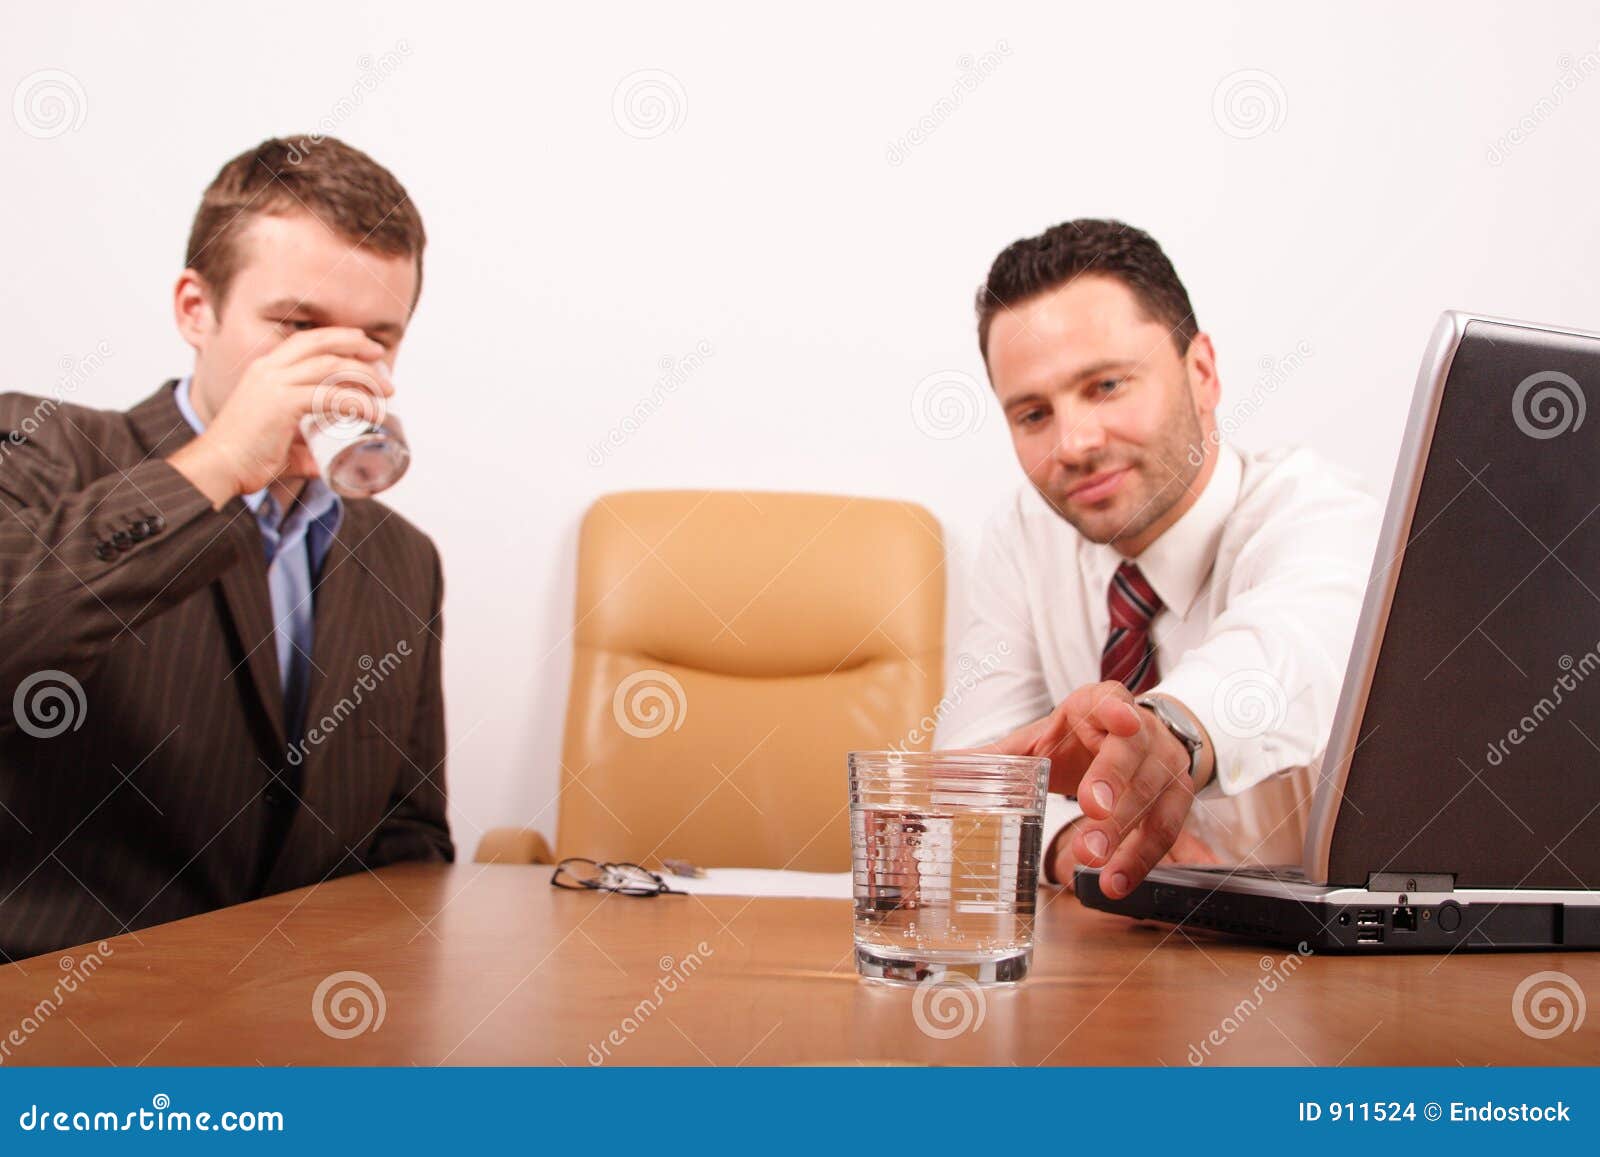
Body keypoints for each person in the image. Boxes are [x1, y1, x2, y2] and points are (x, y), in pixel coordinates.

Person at [0, 137, 451, 961]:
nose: (335, 371)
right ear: (193, 309)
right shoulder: (39, 450)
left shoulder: (403, 560)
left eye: (374, 339)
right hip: (62, 1030)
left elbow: (408, 841)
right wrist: (221, 466)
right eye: (297, 326)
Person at [934, 219, 1380, 901]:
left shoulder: (1321, 512)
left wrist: (1168, 735)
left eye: (1106, 385)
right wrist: (1083, 841)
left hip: (1320, 980)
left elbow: (1286, 650)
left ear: (1202, 373)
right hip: (1115, 972)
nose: (1074, 444)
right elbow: (968, 783)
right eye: (1032, 415)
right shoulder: (1025, 535)